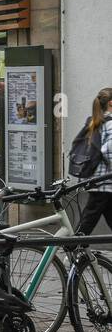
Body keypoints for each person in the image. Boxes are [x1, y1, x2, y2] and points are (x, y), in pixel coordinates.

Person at [77, 88, 112, 234]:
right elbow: (109, 153)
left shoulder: (95, 121)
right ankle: (71, 250)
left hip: (97, 182)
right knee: (84, 227)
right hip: (104, 184)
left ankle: (76, 251)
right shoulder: (110, 124)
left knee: (86, 224)